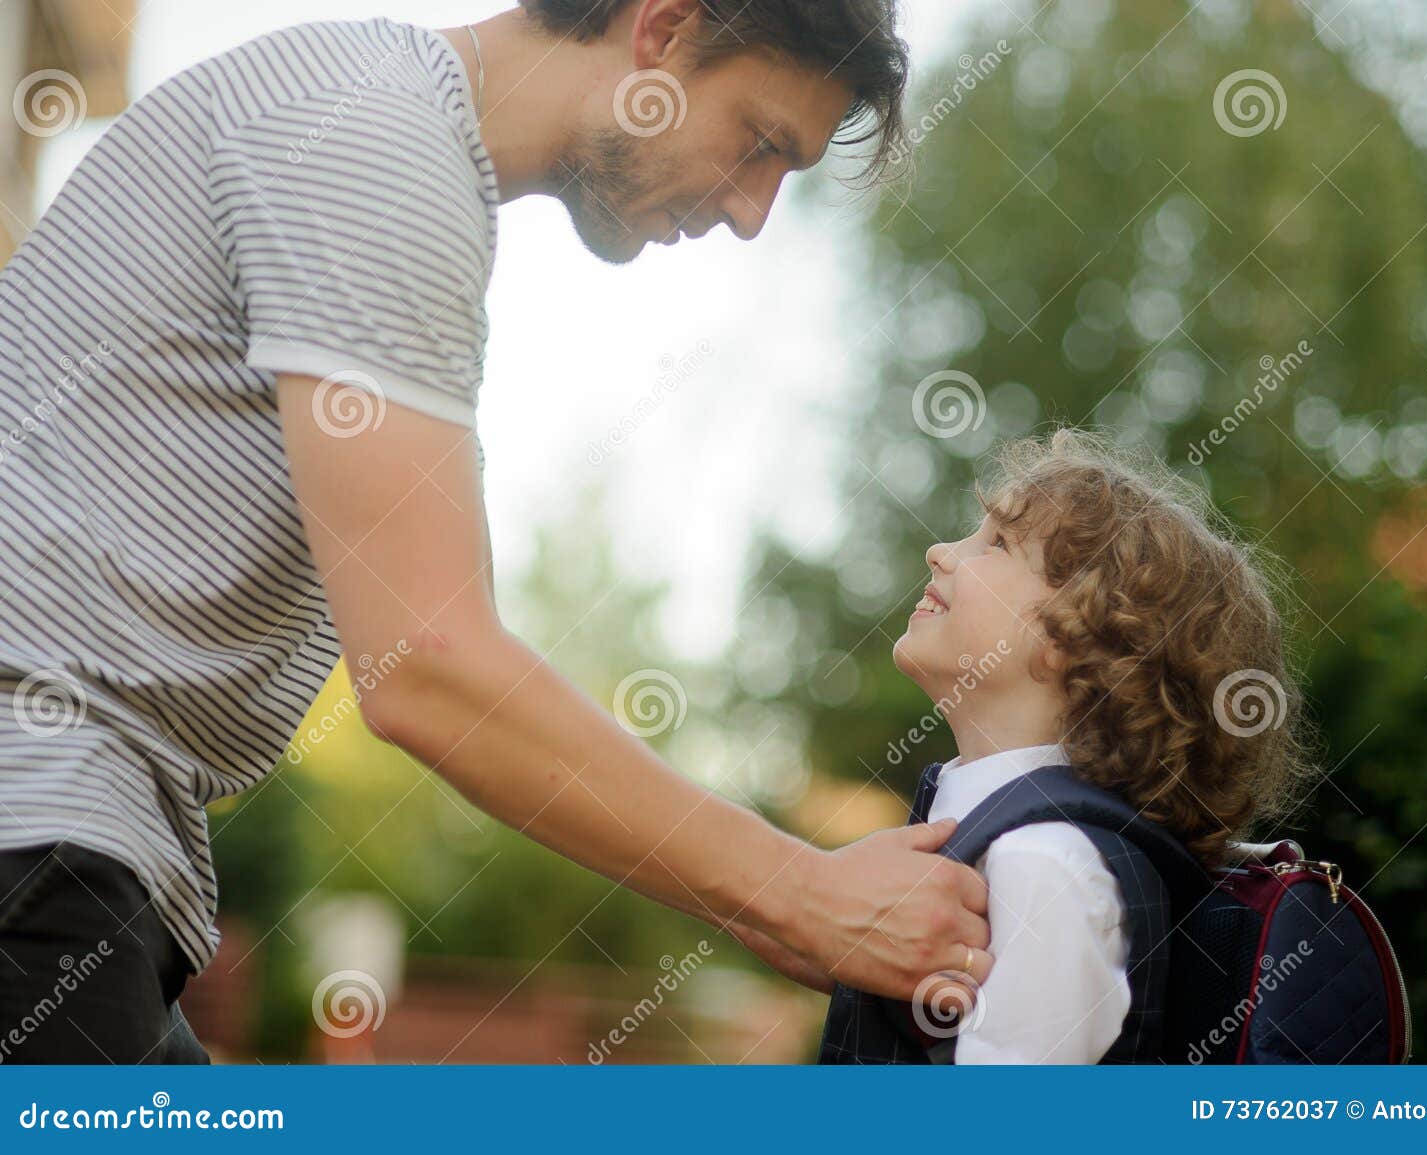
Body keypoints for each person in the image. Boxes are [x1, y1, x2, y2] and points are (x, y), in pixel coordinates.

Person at [0, 1, 992, 1064]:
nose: (752, 212)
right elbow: (429, 665)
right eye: (758, 142)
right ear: (660, 30)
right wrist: (800, 893)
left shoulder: (380, 121)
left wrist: (788, 902)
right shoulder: (378, 140)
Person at [813, 427, 1315, 1063]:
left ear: (1074, 636)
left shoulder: (1046, 866)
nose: (940, 550)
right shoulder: (1001, 834)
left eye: (996, 542)